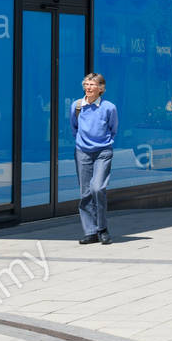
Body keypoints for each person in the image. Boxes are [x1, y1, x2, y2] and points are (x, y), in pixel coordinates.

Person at [72, 72, 117, 245]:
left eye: (92, 84)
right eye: (86, 84)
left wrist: (105, 142)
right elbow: (74, 127)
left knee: (97, 188)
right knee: (85, 193)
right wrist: (81, 142)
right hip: (82, 152)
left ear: (101, 88)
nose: (88, 87)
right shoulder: (77, 106)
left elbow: (113, 128)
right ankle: (90, 232)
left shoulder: (109, 107)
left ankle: (102, 228)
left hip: (103, 152)